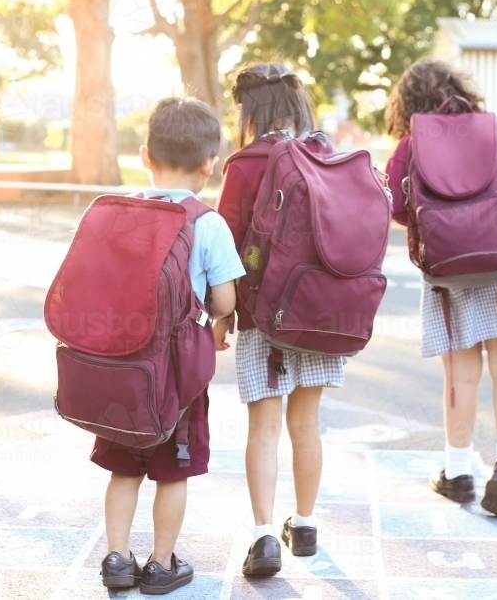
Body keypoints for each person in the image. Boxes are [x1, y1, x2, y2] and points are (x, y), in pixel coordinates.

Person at [384, 59, 497, 517]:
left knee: (460, 376)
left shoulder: (411, 144)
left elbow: (397, 205)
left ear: (406, 105)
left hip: (448, 274)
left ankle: (458, 473)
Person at [94, 97, 244, 594]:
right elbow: (223, 300)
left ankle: (116, 560)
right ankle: (160, 566)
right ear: (210, 164)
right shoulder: (208, 223)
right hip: (176, 377)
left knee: (122, 467)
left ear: (144, 156)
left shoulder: (118, 212)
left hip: (119, 368)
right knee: (171, 471)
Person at [215, 62, 343, 576]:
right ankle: (306, 525)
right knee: (306, 424)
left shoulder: (245, 163)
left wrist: (219, 316)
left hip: (263, 316)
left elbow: (226, 248)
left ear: (249, 110)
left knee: (263, 429)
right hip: (321, 314)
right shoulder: (327, 155)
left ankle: (265, 536)